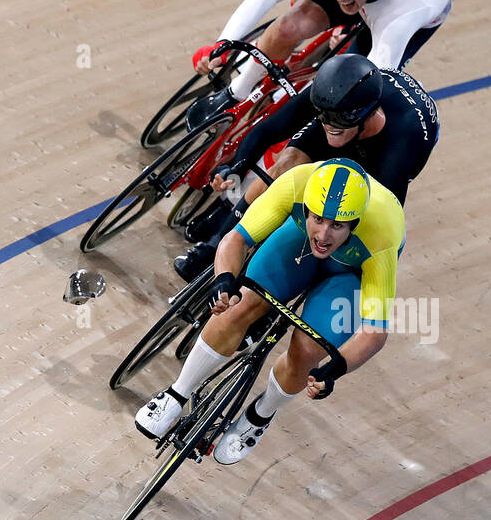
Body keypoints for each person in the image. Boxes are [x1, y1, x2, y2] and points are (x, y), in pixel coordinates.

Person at [136, 158, 405, 464]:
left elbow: (374, 332)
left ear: (354, 223)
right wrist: (223, 280)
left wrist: (336, 368)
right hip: (298, 241)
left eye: (337, 225)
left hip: (351, 272)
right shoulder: (295, 183)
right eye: (318, 219)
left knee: (308, 350)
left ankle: (259, 416)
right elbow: (236, 238)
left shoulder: (382, 235)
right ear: (306, 208)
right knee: (240, 304)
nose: (324, 235)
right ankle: (177, 393)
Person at [172, 53, 437, 280]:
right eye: (322, 115)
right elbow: (268, 131)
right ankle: (217, 243)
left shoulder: (401, 144)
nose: (328, 124)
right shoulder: (330, 98)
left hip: (381, 154)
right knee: (284, 166)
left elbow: (385, 221)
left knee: (335, 220)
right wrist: (236, 169)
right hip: (353, 118)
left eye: (336, 119)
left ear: (366, 115)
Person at [185, 0, 452, 130]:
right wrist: (222, 43)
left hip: (404, 13)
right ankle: (238, 91)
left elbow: (373, 81)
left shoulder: (404, 11)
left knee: (344, 91)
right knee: (289, 26)